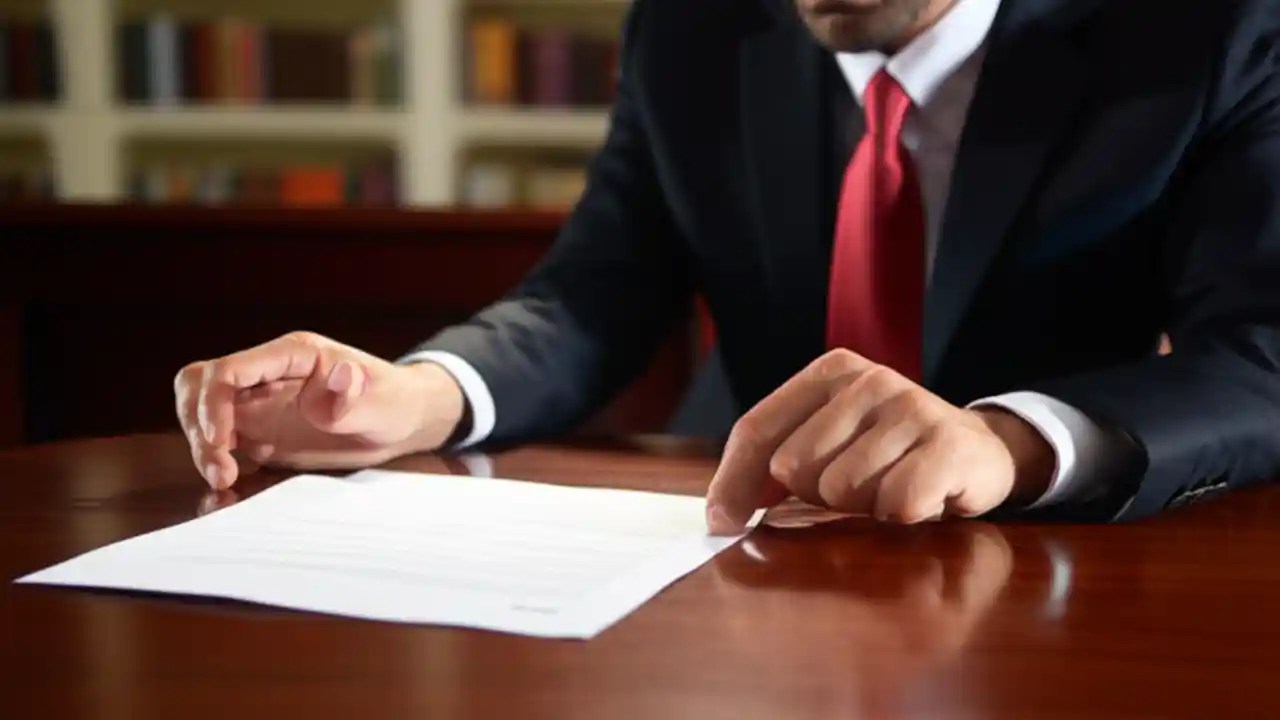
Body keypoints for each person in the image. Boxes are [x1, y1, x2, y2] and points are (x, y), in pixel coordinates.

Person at [174, 0, 1280, 532]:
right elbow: (594, 292)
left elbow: (1258, 356)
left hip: (1038, 554)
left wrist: (1004, 440)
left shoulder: (1206, 31)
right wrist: (411, 396)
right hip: (736, 530)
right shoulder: (696, 27)